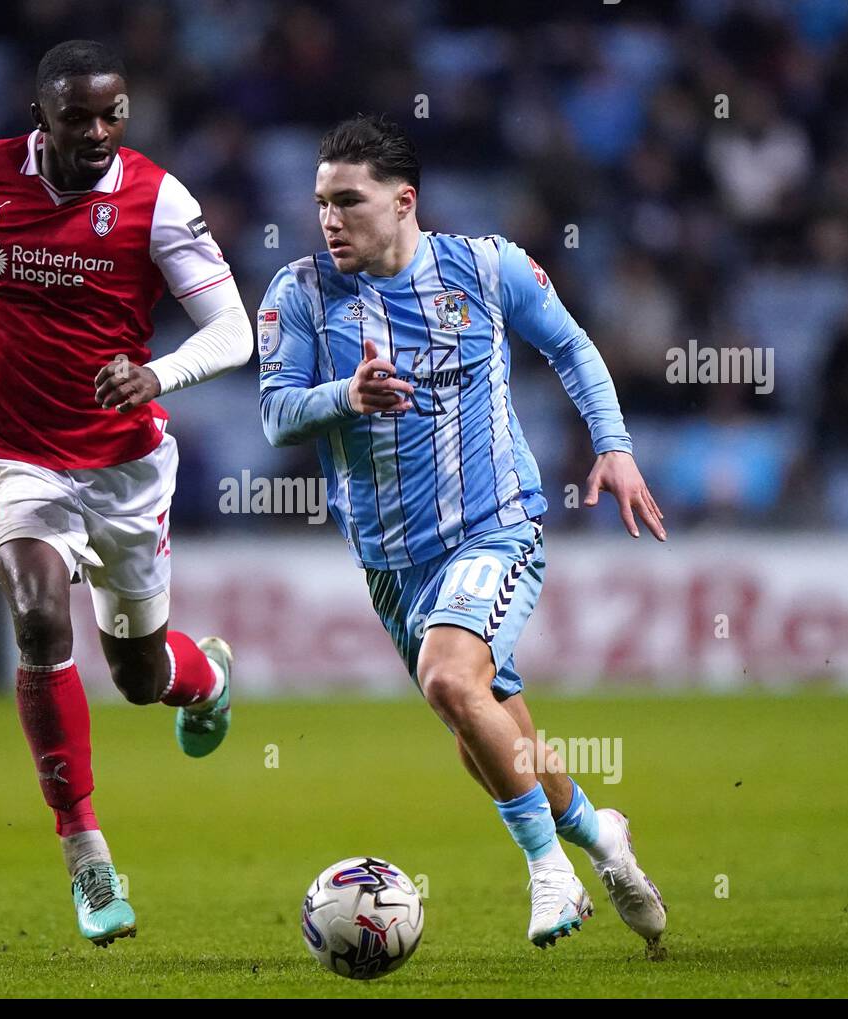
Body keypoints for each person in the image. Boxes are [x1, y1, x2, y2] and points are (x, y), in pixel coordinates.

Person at [258, 115, 667, 950]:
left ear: (404, 201)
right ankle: (602, 838)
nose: (330, 220)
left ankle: (548, 869)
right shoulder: (297, 294)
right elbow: (275, 417)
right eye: (320, 203)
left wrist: (615, 449)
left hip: (495, 528)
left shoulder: (486, 268)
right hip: (391, 562)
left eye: (349, 201)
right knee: (480, 728)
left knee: (451, 681)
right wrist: (347, 396)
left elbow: (574, 347)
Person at [0, 40, 253, 947]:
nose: (97, 132)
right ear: (40, 112)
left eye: (113, 115)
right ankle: (87, 856)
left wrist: (157, 376)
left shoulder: (157, 200)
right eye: (78, 116)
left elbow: (235, 330)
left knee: (137, 676)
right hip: (8, 451)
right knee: (40, 619)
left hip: (120, 466)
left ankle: (204, 681)